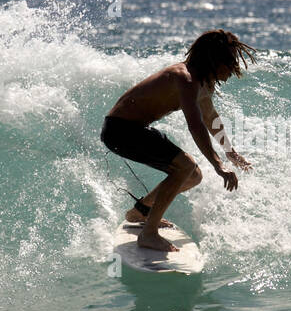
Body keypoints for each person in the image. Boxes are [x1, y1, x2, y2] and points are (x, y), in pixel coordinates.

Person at [101, 29, 256, 253]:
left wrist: (229, 151)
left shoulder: (202, 83)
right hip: (120, 131)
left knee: (193, 176)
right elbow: (196, 124)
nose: (234, 68)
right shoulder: (185, 78)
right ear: (214, 59)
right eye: (230, 61)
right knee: (185, 166)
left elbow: (210, 117)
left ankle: (141, 212)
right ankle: (149, 234)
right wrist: (217, 164)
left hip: (135, 129)